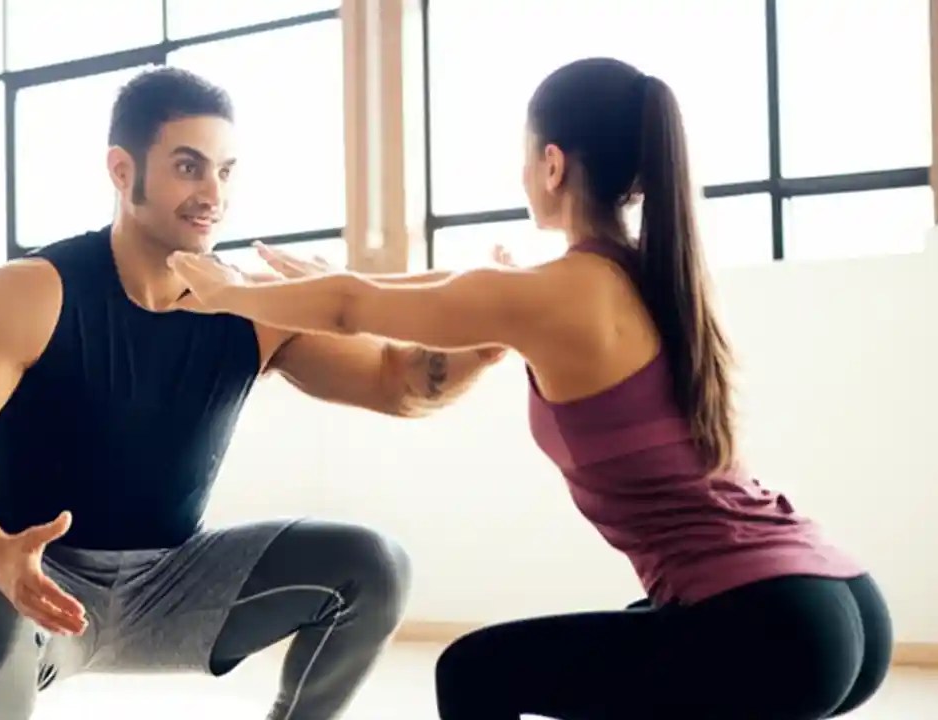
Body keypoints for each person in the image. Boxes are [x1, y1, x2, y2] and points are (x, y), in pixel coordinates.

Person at [166, 57, 894, 719]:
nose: (520, 176)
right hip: (835, 602)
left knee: (477, 673)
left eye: (522, 157)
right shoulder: (646, 274)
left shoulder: (560, 293)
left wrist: (228, 293)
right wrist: (309, 282)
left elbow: (354, 307)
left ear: (551, 164)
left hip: (767, 624)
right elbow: (416, 289)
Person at [0, 66, 504, 720]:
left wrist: (479, 352)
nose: (212, 194)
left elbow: (400, 382)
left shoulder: (254, 309)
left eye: (225, 171)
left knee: (374, 565)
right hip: (37, 578)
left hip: (178, 582)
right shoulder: (35, 292)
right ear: (122, 171)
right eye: (188, 167)